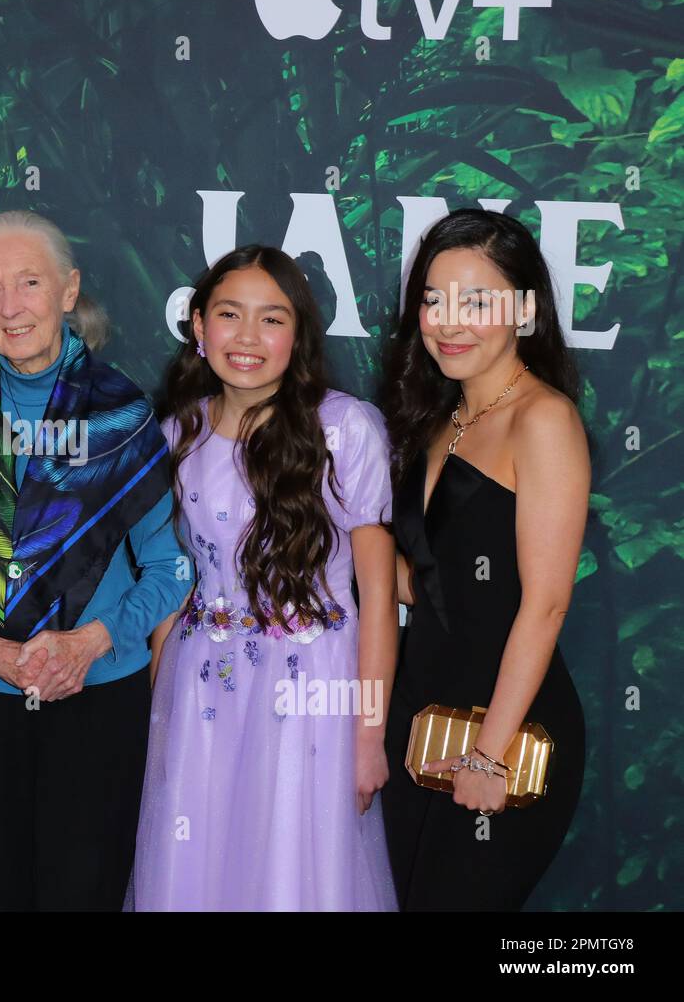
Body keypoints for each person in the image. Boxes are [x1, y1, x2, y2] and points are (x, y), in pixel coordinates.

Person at [0, 210, 190, 911]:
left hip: (96, 696)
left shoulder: (121, 417)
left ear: (67, 289)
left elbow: (173, 568)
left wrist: (92, 640)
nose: (10, 305)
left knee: (82, 894)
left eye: (28, 282)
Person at [131, 245, 399, 911]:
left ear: (298, 334)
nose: (248, 338)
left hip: (315, 693)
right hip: (200, 692)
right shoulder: (174, 435)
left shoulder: (346, 429)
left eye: (272, 319)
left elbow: (379, 594)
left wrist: (368, 737)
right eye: (229, 314)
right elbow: (176, 584)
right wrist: (160, 717)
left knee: (294, 871)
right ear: (198, 325)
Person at [379, 209, 588, 911]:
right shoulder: (441, 420)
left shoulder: (544, 419)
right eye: (434, 300)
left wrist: (488, 755)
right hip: (417, 727)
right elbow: (429, 586)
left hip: (506, 732)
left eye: (476, 300)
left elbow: (547, 603)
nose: (448, 320)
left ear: (524, 310)